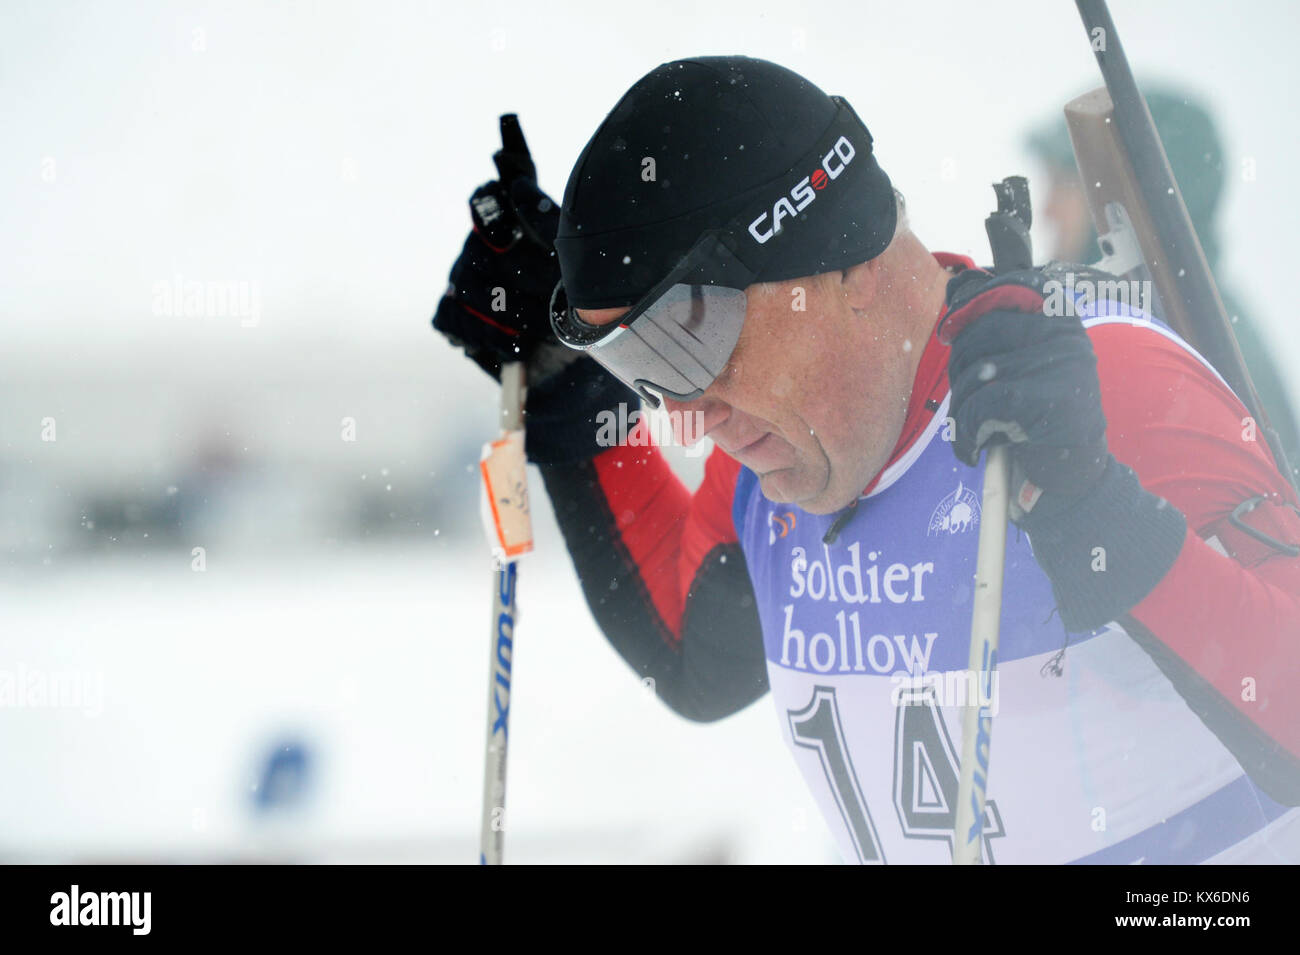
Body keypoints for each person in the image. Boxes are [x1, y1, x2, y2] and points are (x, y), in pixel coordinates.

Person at [433, 56, 1300, 863]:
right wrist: (568, 396)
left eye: (689, 338)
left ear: (841, 262)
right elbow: (696, 654)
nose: (685, 417)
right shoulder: (778, 471)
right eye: (637, 364)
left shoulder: (1098, 392)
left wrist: (1095, 506)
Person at [1026, 86, 1300, 474]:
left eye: (1065, 184)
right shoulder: (1124, 316)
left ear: (1134, 201)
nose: (1047, 209)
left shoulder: (1208, 342)